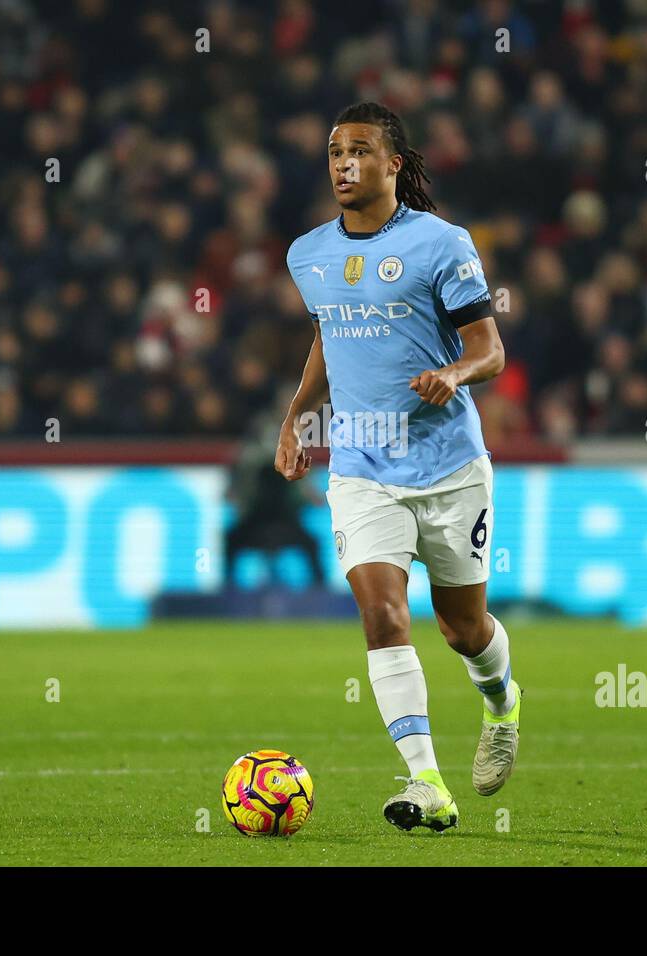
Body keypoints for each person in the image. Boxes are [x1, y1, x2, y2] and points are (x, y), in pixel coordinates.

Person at [277, 102, 519, 832]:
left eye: (357, 151)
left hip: (448, 468)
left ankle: (502, 702)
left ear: (394, 165)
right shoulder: (307, 254)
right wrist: (297, 413)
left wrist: (455, 372)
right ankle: (426, 784)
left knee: (461, 628)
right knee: (383, 616)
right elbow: (332, 328)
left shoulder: (441, 244)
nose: (342, 164)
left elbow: (491, 349)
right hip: (360, 467)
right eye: (332, 152)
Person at [225, 397, 326, 589]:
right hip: (264, 522)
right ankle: (320, 596)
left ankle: (227, 594)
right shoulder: (259, 449)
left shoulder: (252, 451)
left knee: (231, 540)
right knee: (230, 540)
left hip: (275, 522)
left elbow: (234, 491)